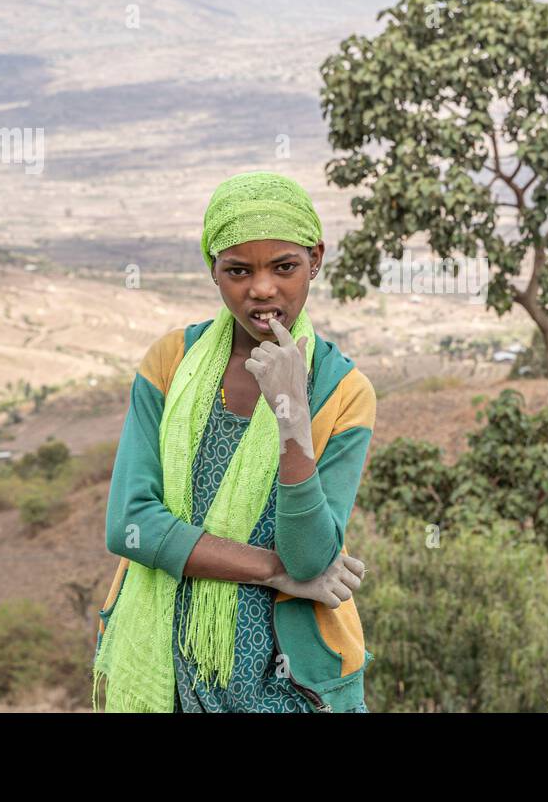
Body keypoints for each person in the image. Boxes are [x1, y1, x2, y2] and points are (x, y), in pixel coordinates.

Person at [93, 171, 377, 713]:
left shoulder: (344, 391)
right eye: (238, 270)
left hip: (289, 681)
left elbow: (312, 557)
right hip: (163, 669)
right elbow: (129, 523)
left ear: (316, 259)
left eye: (285, 267)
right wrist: (274, 571)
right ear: (214, 271)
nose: (263, 288)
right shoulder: (170, 363)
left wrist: (293, 416)